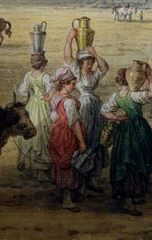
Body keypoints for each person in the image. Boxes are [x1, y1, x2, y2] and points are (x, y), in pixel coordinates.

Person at [102, 62, 152, 215]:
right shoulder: (134, 95)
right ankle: (129, 201)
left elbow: (104, 111)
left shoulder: (117, 96)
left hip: (124, 131)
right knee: (134, 162)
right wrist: (150, 76)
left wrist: (117, 119)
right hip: (137, 130)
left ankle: (131, 196)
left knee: (126, 161)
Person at [63, 28, 110, 194]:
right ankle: (81, 179)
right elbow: (68, 58)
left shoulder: (95, 75)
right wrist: (69, 39)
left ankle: (92, 177)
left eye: (91, 62)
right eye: (87, 62)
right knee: (84, 139)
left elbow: (105, 68)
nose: (90, 65)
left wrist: (95, 53)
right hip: (84, 107)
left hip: (96, 109)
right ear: (81, 64)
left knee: (96, 140)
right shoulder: (77, 73)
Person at [47, 66, 86, 211]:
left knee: (62, 162)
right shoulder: (69, 102)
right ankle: (67, 200)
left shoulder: (56, 97)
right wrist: (81, 142)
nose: (74, 85)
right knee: (68, 163)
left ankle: (63, 193)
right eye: (71, 83)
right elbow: (74, 123)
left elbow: (53, 115)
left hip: (57, 131)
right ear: (63, 84)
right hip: (67, 134)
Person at [13, 53, 52, 177]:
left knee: (34, 133)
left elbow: (23, 92)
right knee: (42, 132)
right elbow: (52, 91)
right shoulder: (46, 77)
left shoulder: (28, 75)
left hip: (32, 105)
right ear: (43, 64)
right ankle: (41, 171)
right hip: (43, 105)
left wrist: (18, 89)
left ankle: (30, 167)